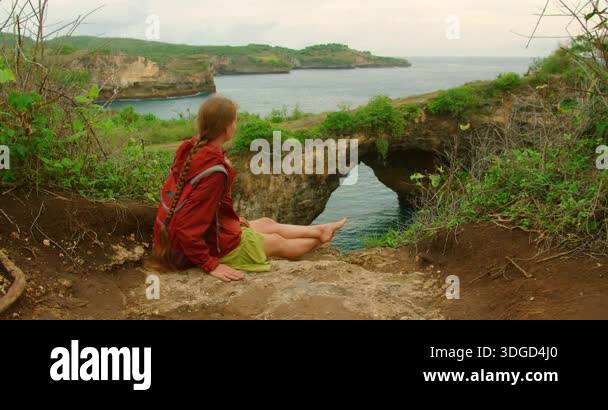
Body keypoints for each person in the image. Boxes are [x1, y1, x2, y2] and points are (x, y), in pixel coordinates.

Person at [153, 95, 347, 282]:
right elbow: (188, 227)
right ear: (227, 128)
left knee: (267, 223)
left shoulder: (190, 150)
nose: (235, 126)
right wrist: (210, 264)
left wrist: (232, 220)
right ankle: (321, 238)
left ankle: (320, 230)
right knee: (278, 242)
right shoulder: (215, 171)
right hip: (196, 249)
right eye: (234, 121)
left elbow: (193, 204)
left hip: (187, 239)